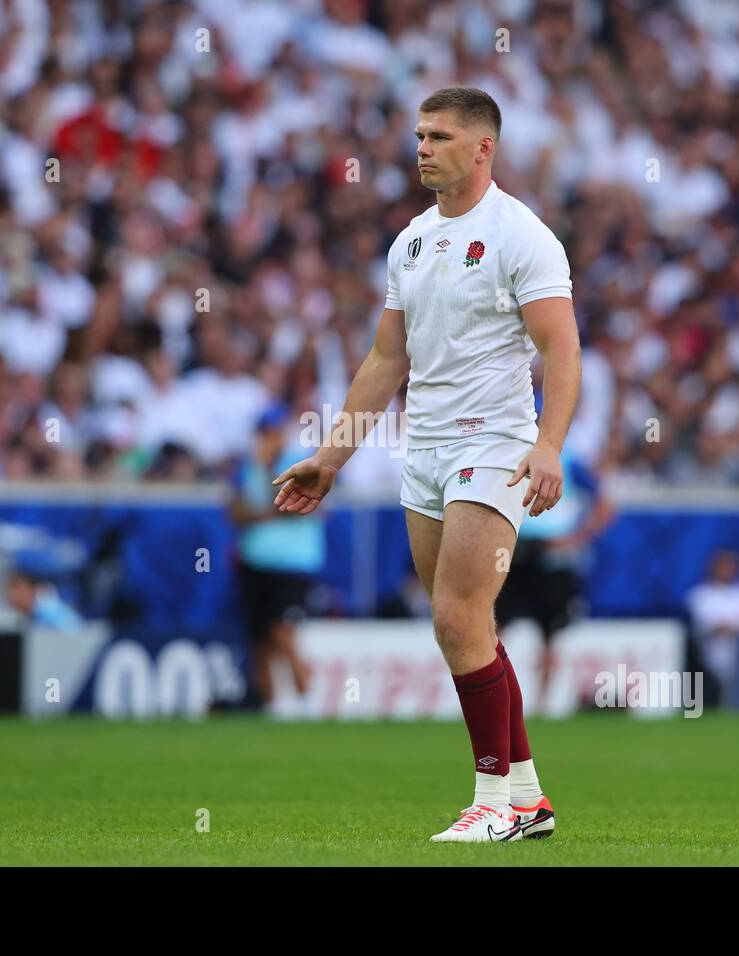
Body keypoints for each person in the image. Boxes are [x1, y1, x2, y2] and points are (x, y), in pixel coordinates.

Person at [272, 88, 580, 842]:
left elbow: (562, 348)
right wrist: (331, 458)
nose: (421, 147)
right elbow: (386, 358)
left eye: (439, 136)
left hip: (494, 447)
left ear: (483, 149)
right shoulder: (409, 240)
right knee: (466, 629)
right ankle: (530, 797)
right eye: (418, 135)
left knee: (456, 615)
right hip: (427, 450)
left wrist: (547, 443)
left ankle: (493, 804)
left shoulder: (521, 236)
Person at [495, 449, 612, 712]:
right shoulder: (511, 453)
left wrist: (577, 538)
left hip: (550, 555)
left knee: (548, 634)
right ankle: (495, 701)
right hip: (517, 550)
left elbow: (605, 503)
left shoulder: (567, 459)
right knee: (496, 629)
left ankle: (541, 706)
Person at [231, 402, 323, 706]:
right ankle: (266, 705)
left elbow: (291, 506)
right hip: (256, 561)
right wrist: (269, 512)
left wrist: (265, 505)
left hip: (292, 562)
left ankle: (306, 698)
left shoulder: (298, 462)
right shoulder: (246, 466)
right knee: (259, 640)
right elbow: (236, 511)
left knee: (282, 631)